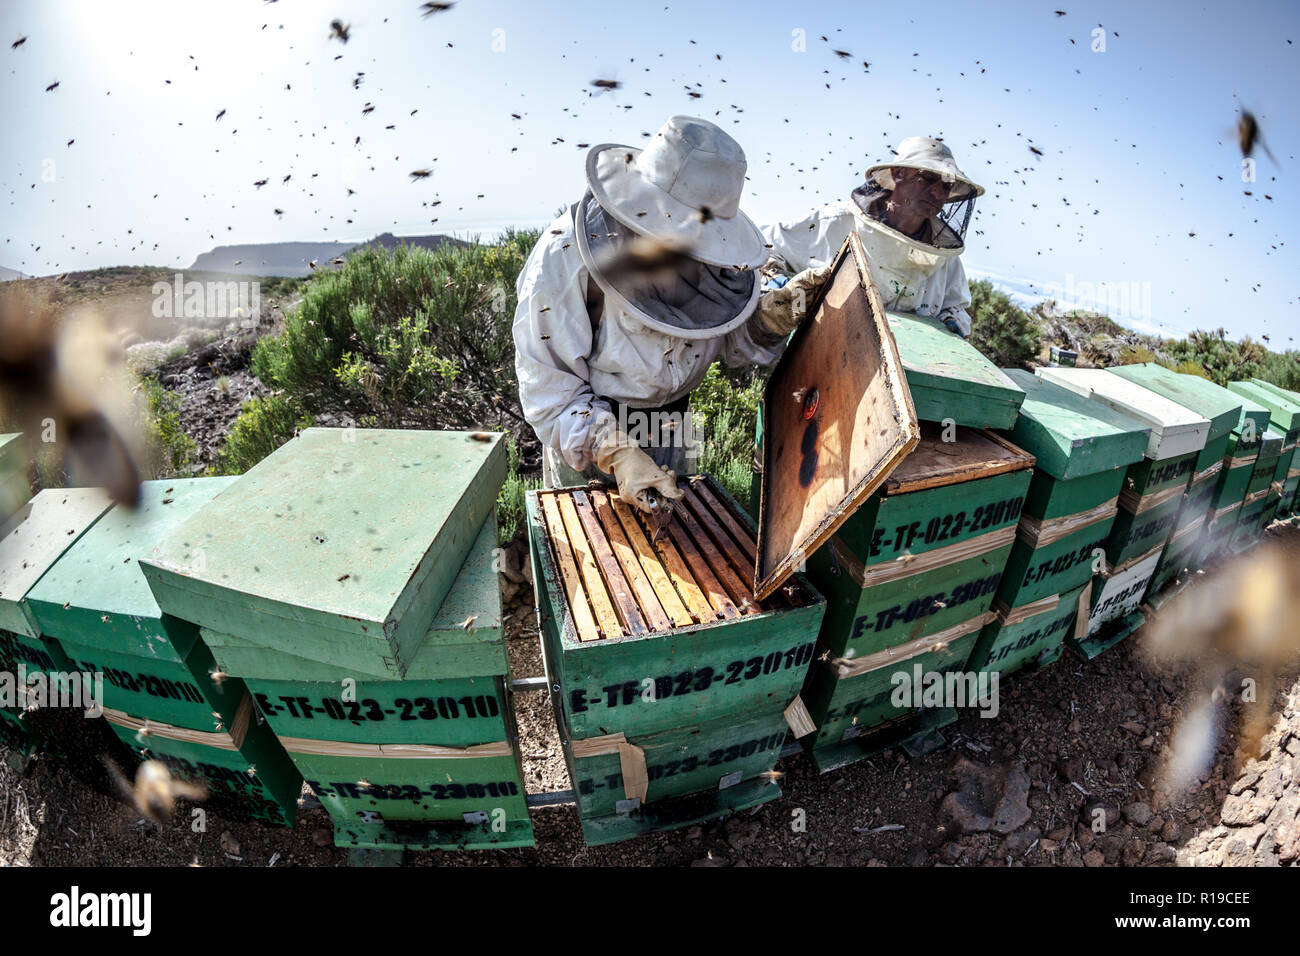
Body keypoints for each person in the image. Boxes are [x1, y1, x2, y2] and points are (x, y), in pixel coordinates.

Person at [513, 115, 824, 513]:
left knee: (675, 547)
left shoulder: (719, 263)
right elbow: (548, 388)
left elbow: (724, 338)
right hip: (586, 440)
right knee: (590, 560)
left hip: (676, 430)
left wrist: (765, 322)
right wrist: (618, 452)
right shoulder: (564, 256)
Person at [762, 136, 984, 337]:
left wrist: (952, 323)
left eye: (946, 185)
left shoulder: (945, 259)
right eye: (927, 178)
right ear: (899, 174)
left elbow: (956, 308)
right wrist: (780, 285)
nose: (937, 192)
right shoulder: (834, 223)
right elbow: (764, 250)